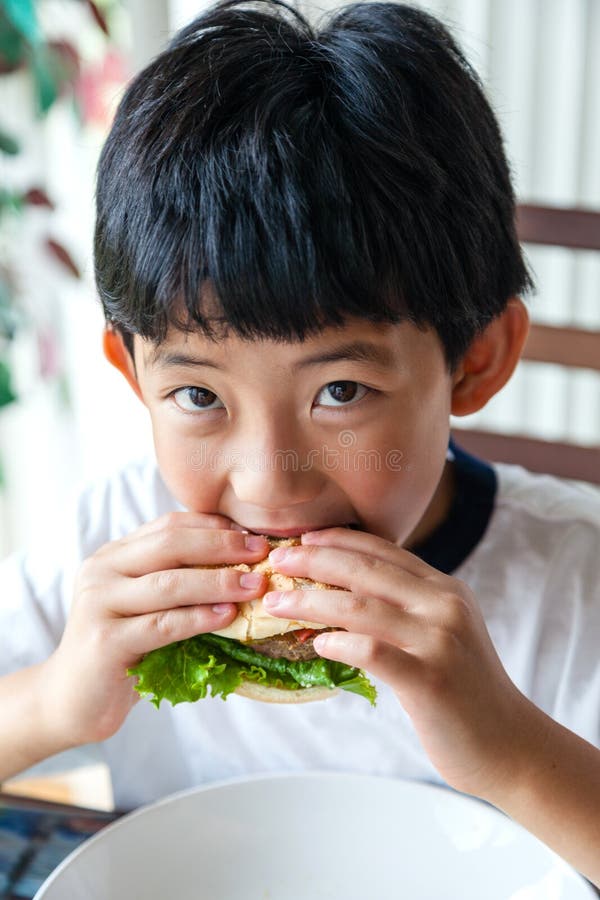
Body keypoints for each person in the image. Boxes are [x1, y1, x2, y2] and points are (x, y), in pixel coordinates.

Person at [1, 0, 599, 884]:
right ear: (133, 375)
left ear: (475, 361)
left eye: (341, 391)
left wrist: (513, 750)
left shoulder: (575, 581)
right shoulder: (115, 549)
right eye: (199, 395)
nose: (268, 485)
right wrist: (53, 702)